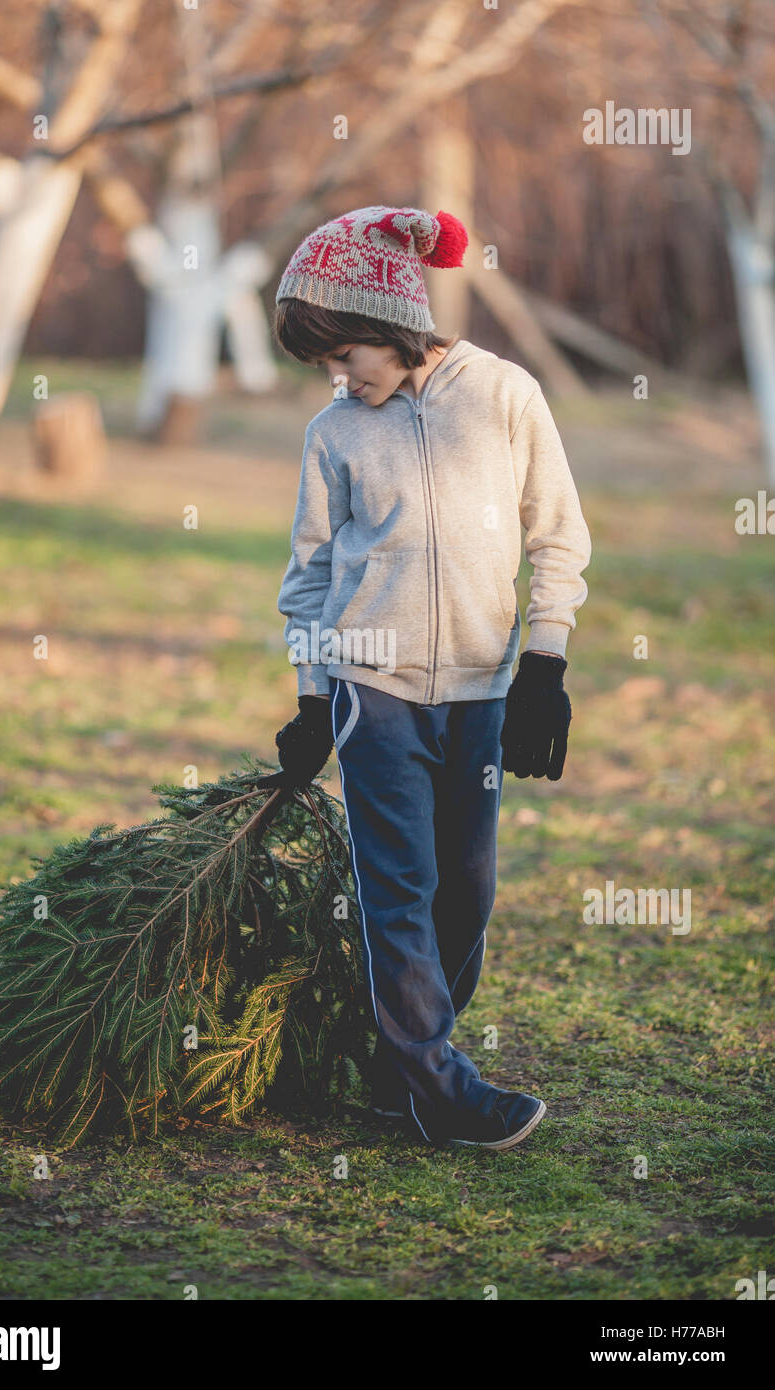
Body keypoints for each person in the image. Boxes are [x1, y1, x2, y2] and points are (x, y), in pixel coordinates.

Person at [263, 205, 592, 1149]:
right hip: (377, 693)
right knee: (398, 890)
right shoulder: (335, 432)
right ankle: (442, 1086)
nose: (337, 378)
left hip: (485, 688)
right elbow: (314, 576)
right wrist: (313, 700)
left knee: (468, 892)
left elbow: (556, 533)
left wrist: (545, 663)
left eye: (345, 354)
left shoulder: (504, 397)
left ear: (392, 322)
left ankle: (404, 1068)